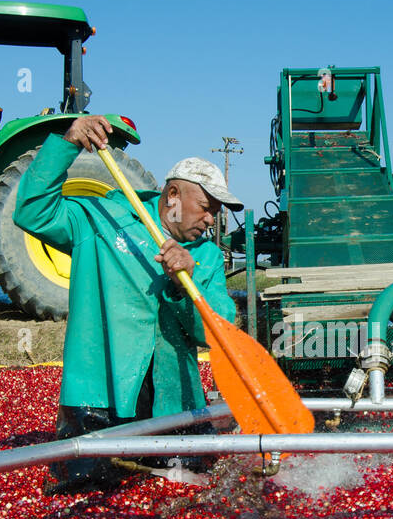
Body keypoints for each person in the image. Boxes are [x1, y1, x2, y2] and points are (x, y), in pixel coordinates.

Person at [13, 115, 242, 495]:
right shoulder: (103, 219)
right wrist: (66, 144)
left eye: (216, 211)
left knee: (193, 492)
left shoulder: (206, 257)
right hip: (99, 392)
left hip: (175, 398)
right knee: (87, 491)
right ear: (172, 196)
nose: (211, 219)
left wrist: (183, 286)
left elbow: (215, 332)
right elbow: (31, 211)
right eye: (205, 206)